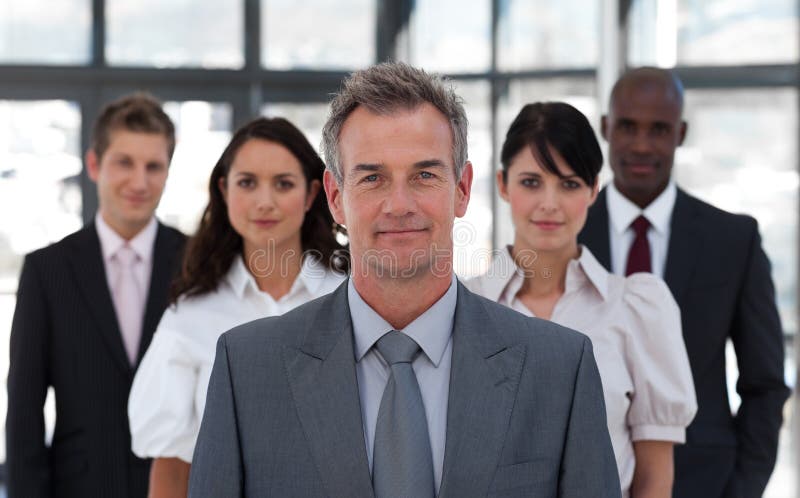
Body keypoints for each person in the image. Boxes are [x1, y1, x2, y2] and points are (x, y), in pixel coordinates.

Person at [187, 62, 620, 498]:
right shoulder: (247, 369)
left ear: (463, 189)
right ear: (336, 198)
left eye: (424, 175)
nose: (399, 204)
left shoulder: (560, 369)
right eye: (372, 177)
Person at [578, 67, 790, 498]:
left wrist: (741, 491)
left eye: (658, 129)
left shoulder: (734, 240)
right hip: (585, 480)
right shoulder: (566, 235)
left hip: (705, 484)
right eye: (628, 127)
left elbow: (764, 386)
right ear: (605, 128)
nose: (641, 144)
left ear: (681, 133)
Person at [468, 101, 697, 497]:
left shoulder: (637, 309)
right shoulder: (463, 307)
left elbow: (655, 478)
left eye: (569, 184)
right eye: (531, 182)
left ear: (594, 190)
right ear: (504, 185)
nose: (550, 203)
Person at [127, 116, 348, 498]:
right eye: (247, 183)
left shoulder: (352, 298)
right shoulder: (191, 316)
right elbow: (171, 466)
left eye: (283, 184)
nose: (265, 201)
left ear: (312, 194)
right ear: (224, 190)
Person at [6, 94, 186, 498]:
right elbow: (23, 412)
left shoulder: (199, 264)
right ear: (93, 165)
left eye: (153, 166)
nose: (139, 182)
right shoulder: (46, 271)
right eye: (124, 162)